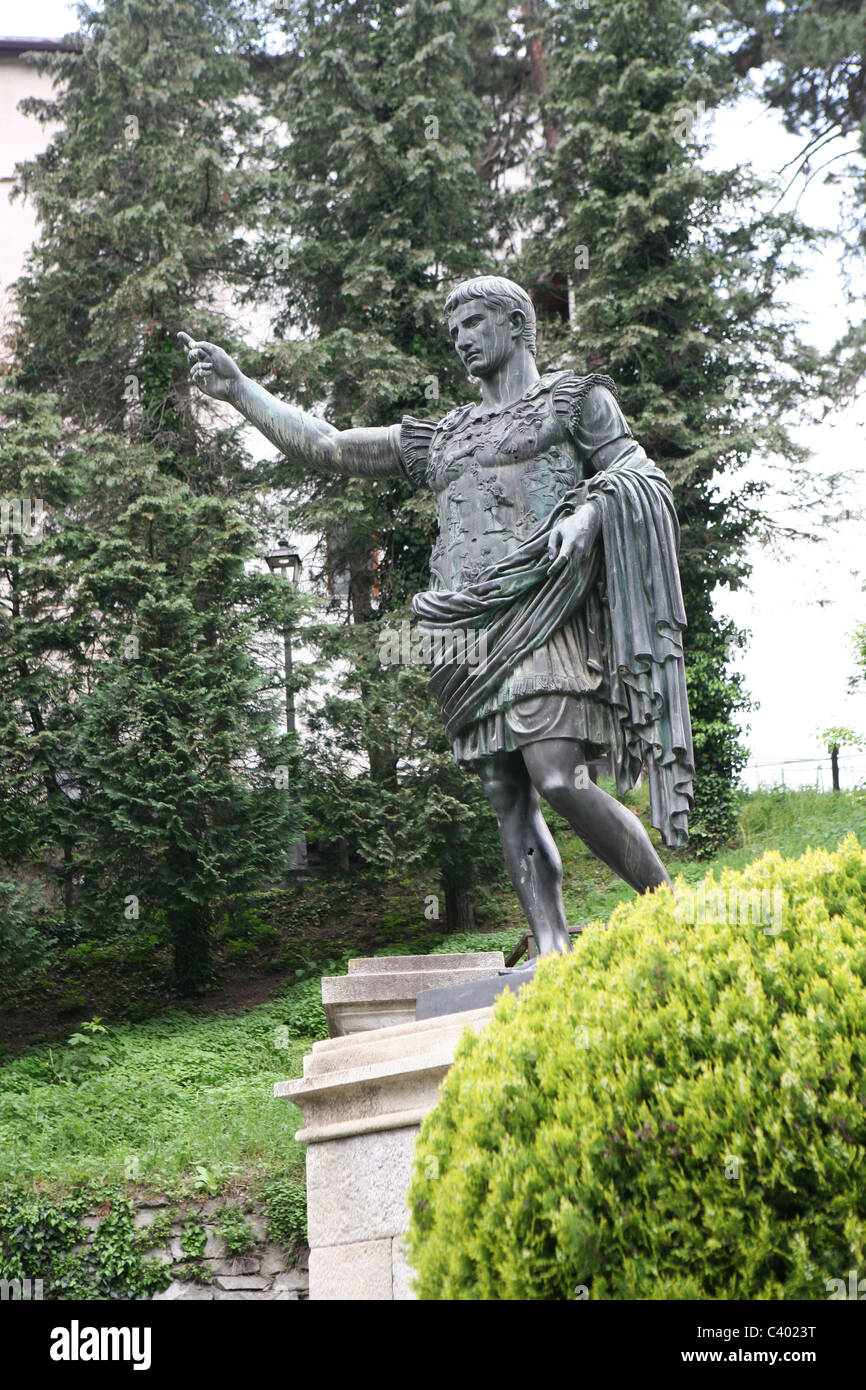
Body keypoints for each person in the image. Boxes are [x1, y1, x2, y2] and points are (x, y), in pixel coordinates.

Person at [180, 275, 694, 958]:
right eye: (454, 330)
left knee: (558, 775)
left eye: (474, 323)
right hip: (464, 633)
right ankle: (551, 950)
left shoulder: (574, 401)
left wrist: (591, 512)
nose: (461, 339)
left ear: (516, 323)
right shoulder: (442, 436)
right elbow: (330, 446)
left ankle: (674, 916)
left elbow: (639, 474)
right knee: (505, 790)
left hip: (542, 611)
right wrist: (242, 391)